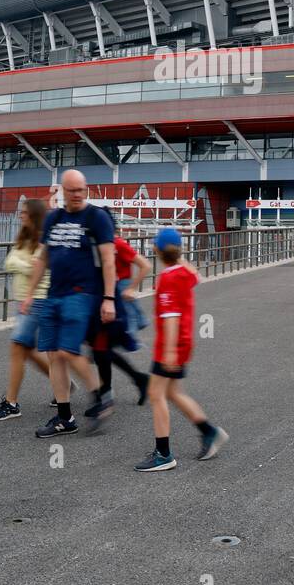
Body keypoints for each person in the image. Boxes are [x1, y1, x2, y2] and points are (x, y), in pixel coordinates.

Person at [20, 169, 117, 436]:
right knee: (54, 356)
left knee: (67, 350)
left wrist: (109, 298)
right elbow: (43, 258)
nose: (76, 195)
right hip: (53, 294)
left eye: (81, 190)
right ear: (62, 191)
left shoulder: (97, 217)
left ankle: (100, 396)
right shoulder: (55, 218)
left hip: (81, 293)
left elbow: (109, 260)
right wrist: (30, 293)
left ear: (86, 189)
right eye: (71, 190)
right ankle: (65, 417)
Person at [135, 226, 228, 473]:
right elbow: (194, 273)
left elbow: (172, 317)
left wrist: (169, 354)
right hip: (184, 342)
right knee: (173, 393)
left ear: (155, 250)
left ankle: (163, 454)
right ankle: (209, 432)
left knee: (156, 395)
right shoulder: (185, 272)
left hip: (170, 345)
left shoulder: (167, 278)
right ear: (180, 251)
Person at [0, 200, 54, 420]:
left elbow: (40, 269)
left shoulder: (44, 239)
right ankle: (63, 384)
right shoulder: (24, 237)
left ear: (34, 215)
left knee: (18, 347)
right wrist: (27, 266)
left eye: (24, 213)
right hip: (23, 300)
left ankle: (11, 402)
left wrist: (24, 265)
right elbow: (9, 263)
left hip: (37, 299)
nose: (20, 216)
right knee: (28, 351)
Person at [87, 228, 151, 420]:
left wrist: (131, 288)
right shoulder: (99, 245)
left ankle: (105, 396)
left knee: (102, 349)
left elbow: (145, 265)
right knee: (102, 350)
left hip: (117, 298)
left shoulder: (118, 244)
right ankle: (136, 380)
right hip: (106, 296)